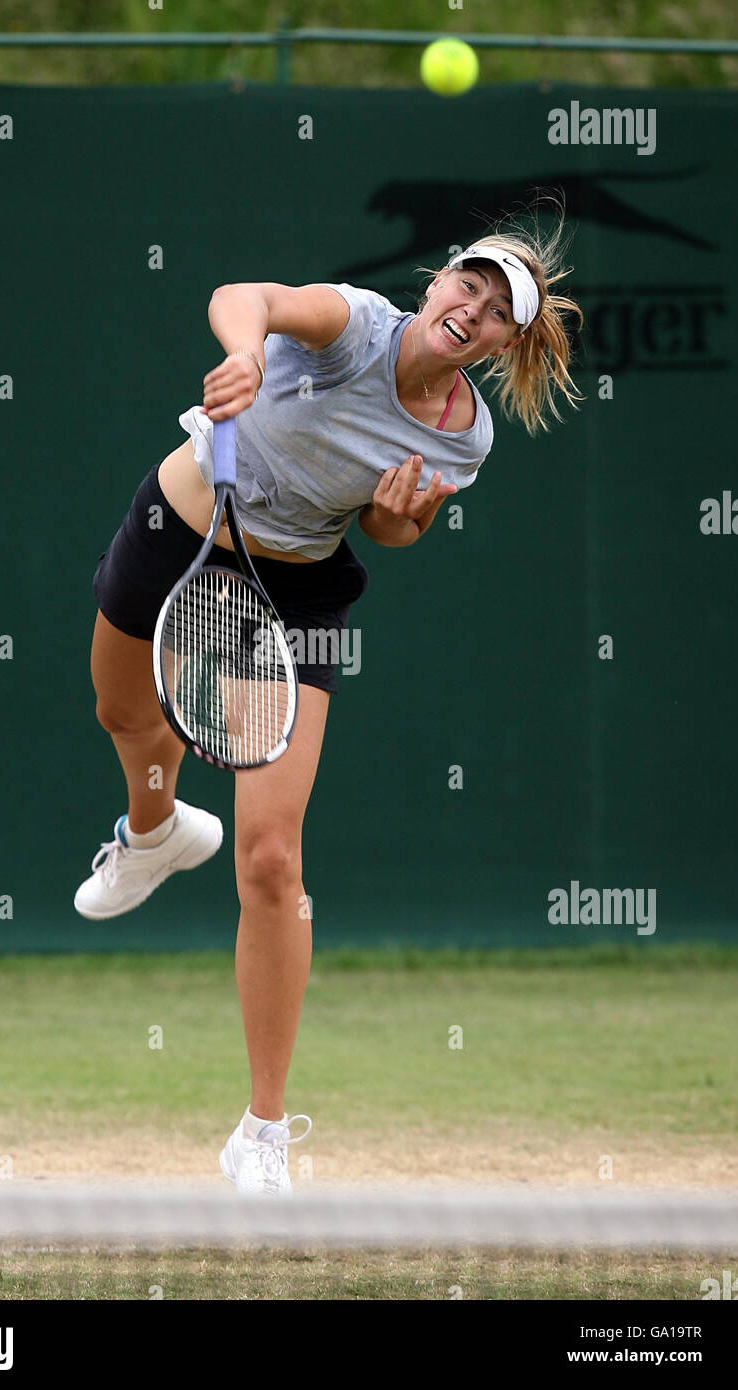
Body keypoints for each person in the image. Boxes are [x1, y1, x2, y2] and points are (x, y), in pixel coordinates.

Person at [76, 209, 582, 1195]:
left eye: (492, 315)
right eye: (464, 289)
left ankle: (262, 1131)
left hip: (294, 590)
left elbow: (389, 532)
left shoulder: (465, 440)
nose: (468, 311)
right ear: (435, 284)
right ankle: (153, 832)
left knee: (271, 856)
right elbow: (248, 299)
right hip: (177, 524)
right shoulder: (351, 324)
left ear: (499, 345)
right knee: (126, 720)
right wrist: (245, 356)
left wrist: (398, 524)